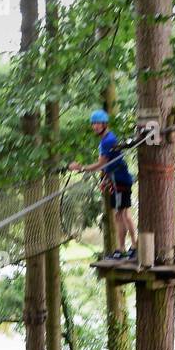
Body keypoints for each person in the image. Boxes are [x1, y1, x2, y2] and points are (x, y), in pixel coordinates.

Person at [68, 109, 137, 260]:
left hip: (119, 180)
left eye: (98, 124)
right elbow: (107, 165)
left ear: (105, 124)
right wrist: (105, 179)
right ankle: (126, 247)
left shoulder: (107, 141)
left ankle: (129, 247)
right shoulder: (107, 139)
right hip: (117, 179)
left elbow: (101, 164)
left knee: (122, 214)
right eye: (93, 124)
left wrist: (81, 168)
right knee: (121, 214)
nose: (95, 127)